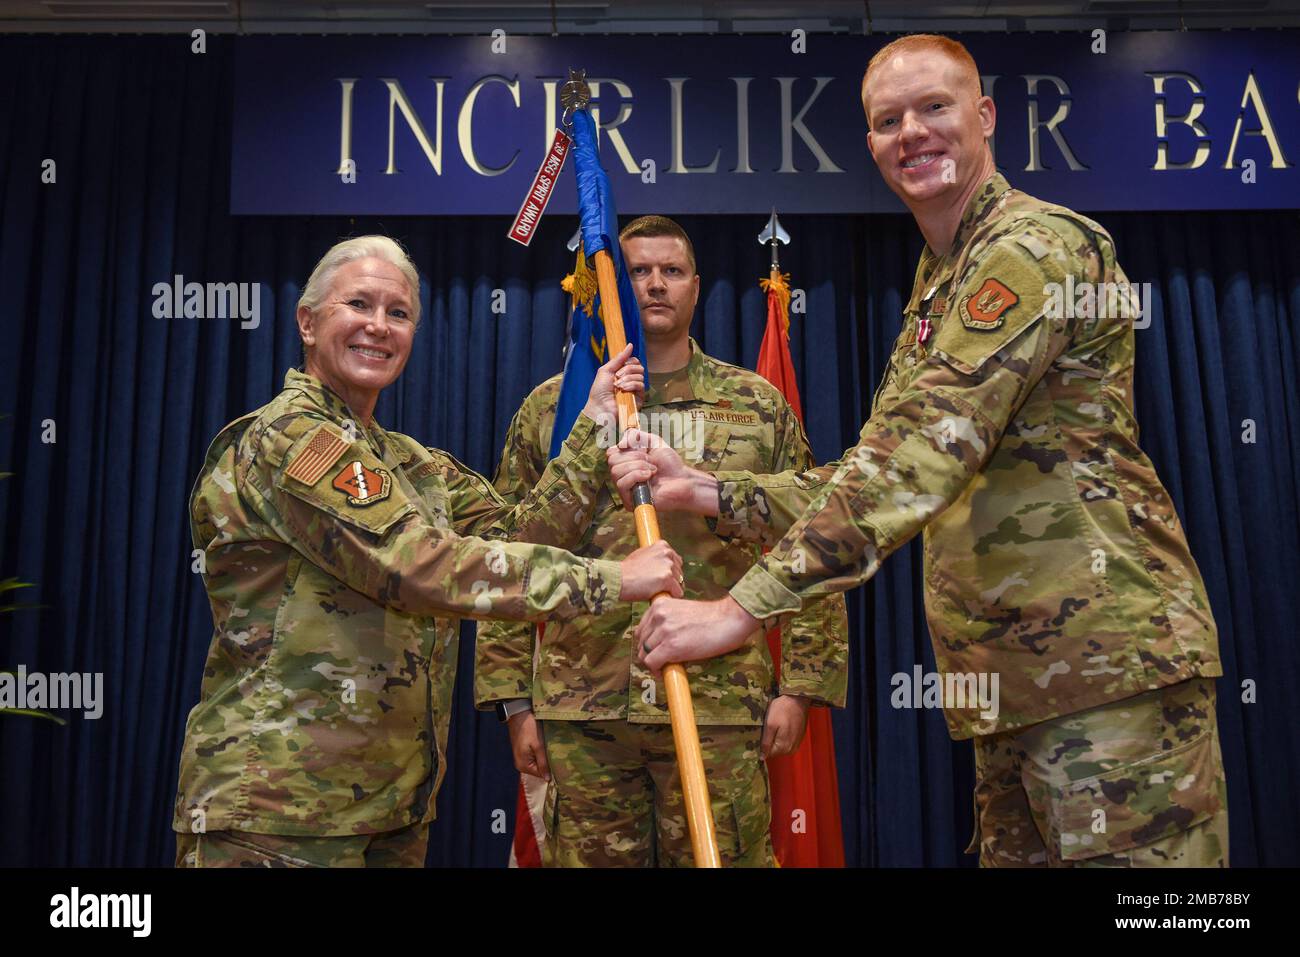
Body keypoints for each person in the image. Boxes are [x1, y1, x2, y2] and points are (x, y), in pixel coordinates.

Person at [611, 36, 1227, 868]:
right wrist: (709, 491)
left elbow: (919, 460)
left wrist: (737, 610)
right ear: (869, 145)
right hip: (1016, 689)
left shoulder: (1033, 247)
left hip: (1109, 678)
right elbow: (878, 464)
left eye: (935, 108)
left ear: (985, 116)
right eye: (888, 119)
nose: (913, 133)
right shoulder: (940, 281)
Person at [173, 235, 683, 868]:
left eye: (399, 313)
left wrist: (593, 426)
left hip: (390, 806)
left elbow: (515, 536)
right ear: (307, 322)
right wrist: (612, 579)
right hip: (281, 810)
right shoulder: (290, 438)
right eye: (358, 305)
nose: (378, 327)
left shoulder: (410, 463)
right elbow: (419, 567)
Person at [475, 216, 848, 867]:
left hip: (719, 703)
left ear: (696, 287)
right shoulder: (554, 410)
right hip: (582, 706)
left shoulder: (755, 406)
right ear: (611, 287)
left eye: (671, 271)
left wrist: (801, 687)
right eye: (637, 272)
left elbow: (810, 541)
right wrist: (514, 700)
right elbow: (509, 554)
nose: (654, 284)